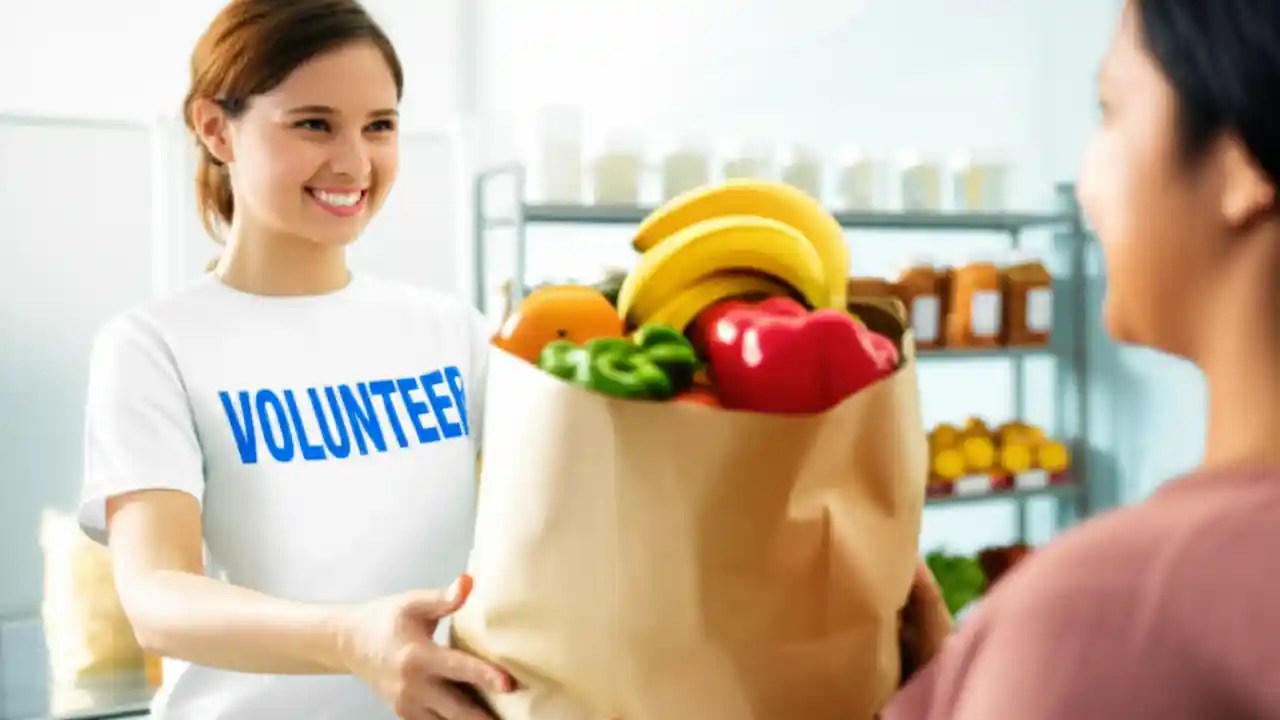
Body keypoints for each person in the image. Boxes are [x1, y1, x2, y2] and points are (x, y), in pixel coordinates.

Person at [77, 1, 514, 718]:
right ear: (216, 128)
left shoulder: (452, 335)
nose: (353, 162)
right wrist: (349, 638)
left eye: (380, 125)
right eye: (313, 123)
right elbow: (157, 597)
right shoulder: (155, 346)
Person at [885, 0, 1280, 717]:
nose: (1087, 180)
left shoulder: (1114, 611)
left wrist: (1025, 656)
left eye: (1111, 110)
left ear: (1243, 163)